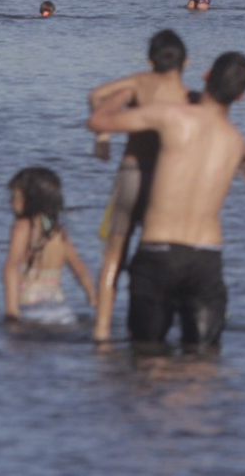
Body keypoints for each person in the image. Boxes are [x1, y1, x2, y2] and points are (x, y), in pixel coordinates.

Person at [85, 51, 245, 352]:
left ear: (205, 76)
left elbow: (99, 120)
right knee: (204, 367)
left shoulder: (171, 116)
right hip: (207, 259)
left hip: (159, 253)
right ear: (242, 97)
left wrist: (124, 93)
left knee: (147, 363)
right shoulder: (235, 140)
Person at [86, 30, 201, 343]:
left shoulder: (139, 82)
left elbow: (97, 96)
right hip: (167, 181)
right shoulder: (186, 95)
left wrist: (102, 137)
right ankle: (156, 329)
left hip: (130, 173)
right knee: (162, 255)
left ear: (150, 60)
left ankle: (101, 330)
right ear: (186, 62)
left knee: (113, 255)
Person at [3, 167, 97, 327]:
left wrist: (11, 312)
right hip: (59, 307)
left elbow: (11, 268)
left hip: (30, 306)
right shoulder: (58, 232)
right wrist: (94, 299)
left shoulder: (22, 227)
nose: (10, 202)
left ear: (30, 200)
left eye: (14, 196)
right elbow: (79, 268)